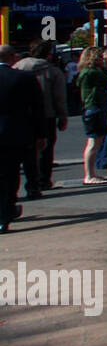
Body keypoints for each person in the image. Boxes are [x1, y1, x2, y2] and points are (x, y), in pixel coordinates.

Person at [0, 44, 45, 231]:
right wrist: (40, 134)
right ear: (12, 57)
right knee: (11, 175)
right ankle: (5, 213)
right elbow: (38, 109)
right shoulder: (24, 78)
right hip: (15, 134)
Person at [15, 40, 68, 196]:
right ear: (48, 55)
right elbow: (59, 96)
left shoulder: (18, 67)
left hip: (21, 115)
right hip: (46, 114)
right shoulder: (52, 71)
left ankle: (29, 182)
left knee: (23, 150)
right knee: (46, 148)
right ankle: (43, 180)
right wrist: (62, 116)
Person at [77, 47, 107, 184]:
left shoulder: (87, 72)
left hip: (94, 109)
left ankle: (91, 174)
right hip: (95, 109)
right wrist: (104, 68)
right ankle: (89, 175)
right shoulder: (92, 73)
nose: (102, 59)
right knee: (93, 143)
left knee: (96, 142)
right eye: (99, 57)